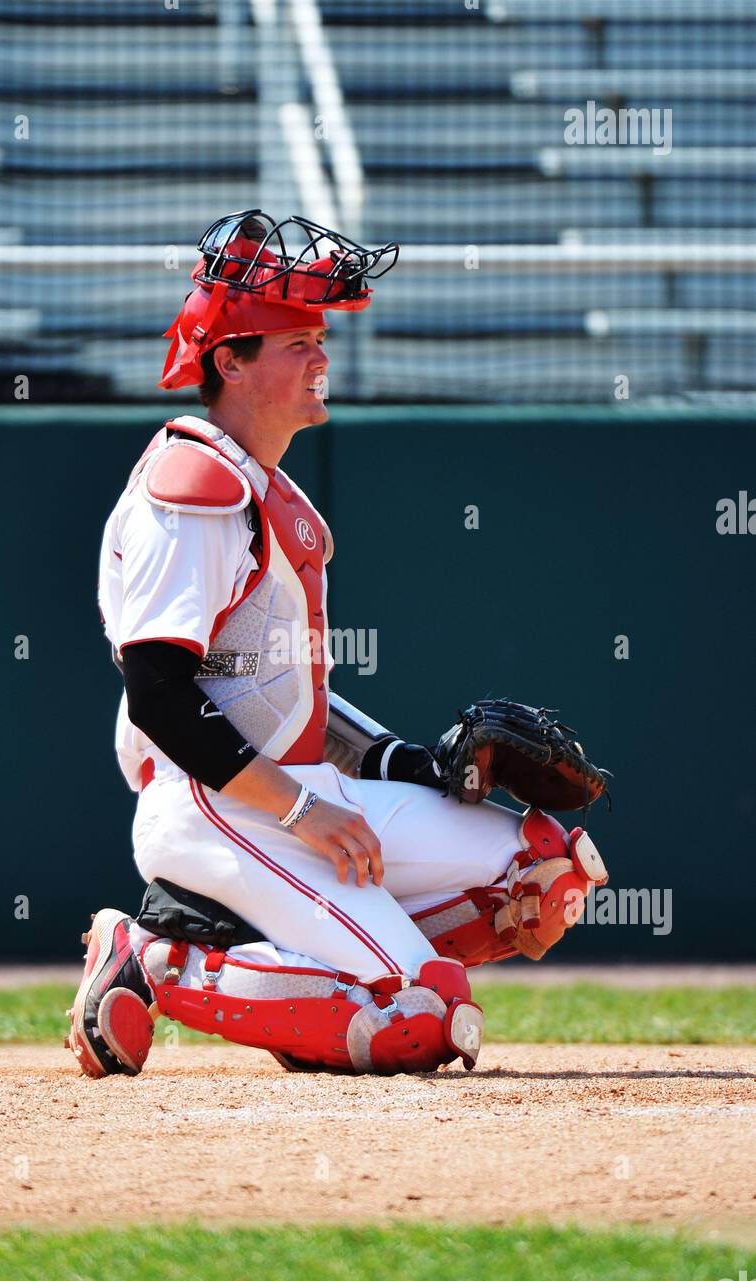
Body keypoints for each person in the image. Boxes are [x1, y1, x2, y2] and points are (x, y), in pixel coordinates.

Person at [66, 210, 606, 1080]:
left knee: (545, 872)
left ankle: (310, 965)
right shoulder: (193, 482)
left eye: (319, 337)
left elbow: (281, 692)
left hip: (292, 788)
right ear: (229, 362)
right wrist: (299, 812)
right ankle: (160, 958)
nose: (321, 357)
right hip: (216, 803)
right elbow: (159, 690)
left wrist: (408, 763)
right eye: (294, 343)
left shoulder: (264, 486)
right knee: (423, 1022)